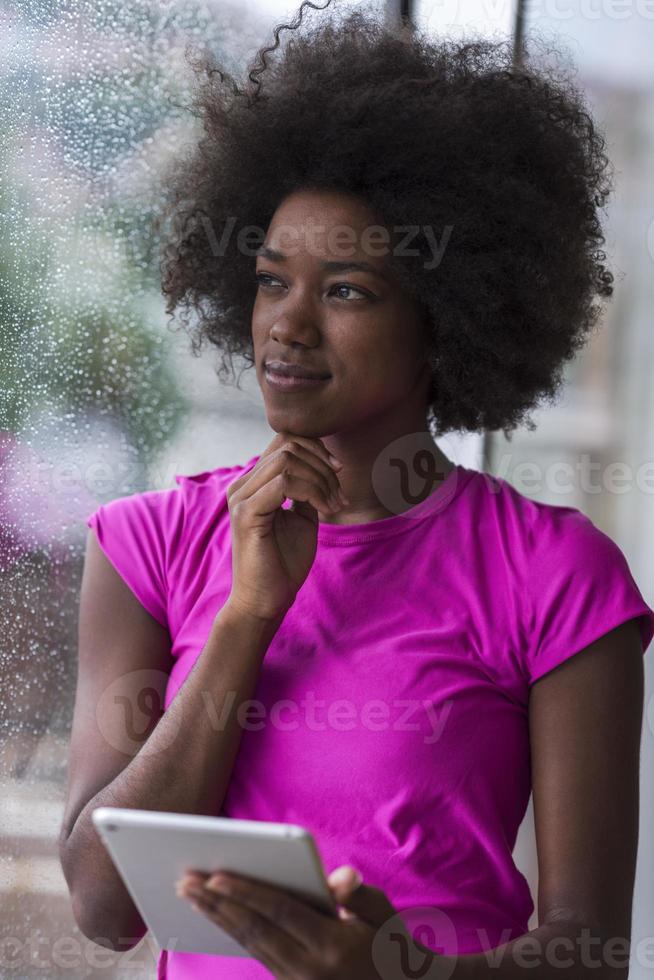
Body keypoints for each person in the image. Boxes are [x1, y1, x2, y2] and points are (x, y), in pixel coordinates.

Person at [59, 2, 654, 978]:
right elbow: (101, 900)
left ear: (449, 318)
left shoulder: (556, 574)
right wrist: (248, 613)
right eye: (269, 280)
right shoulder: (147, 544)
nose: (287, 326)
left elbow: (589, 949)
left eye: (346, 290)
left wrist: (397, 970)